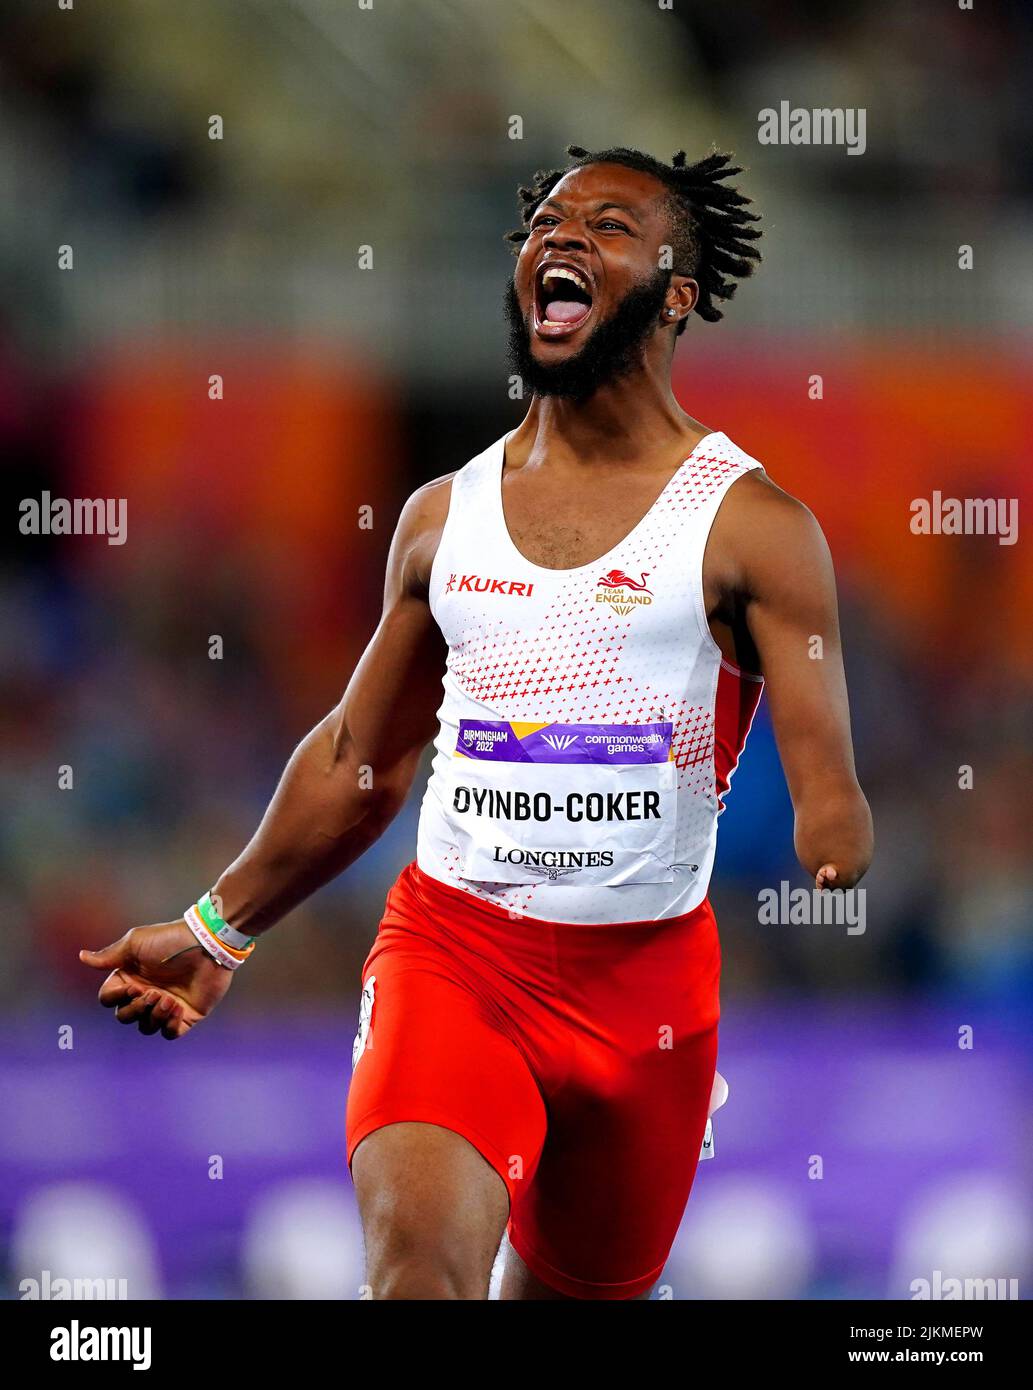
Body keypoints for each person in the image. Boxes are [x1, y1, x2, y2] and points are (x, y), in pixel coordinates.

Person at [81, 146, 873, 1300]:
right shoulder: (441, 518)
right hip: (456, 957)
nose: (560, 238)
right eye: (546, 222)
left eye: (606, 226)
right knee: (419, 1271)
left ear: (677, 290)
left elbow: (828, 782)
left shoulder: (753, 527)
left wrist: (832, 825)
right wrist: (215, 927)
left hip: (646, 993)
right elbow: (361, 759)